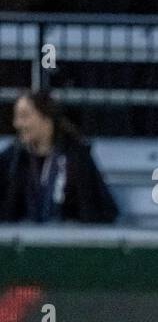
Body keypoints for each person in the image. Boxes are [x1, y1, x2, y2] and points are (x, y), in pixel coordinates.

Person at [0, 90, 117, 223]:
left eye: (24, 116)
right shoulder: (12, 159)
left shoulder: (76, 156)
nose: (17, 124)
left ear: (46, 119)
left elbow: (102, 209)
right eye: (16, 117)